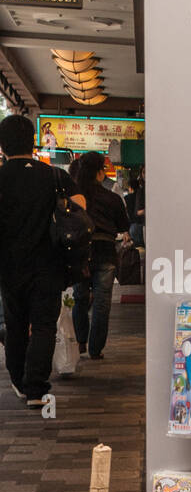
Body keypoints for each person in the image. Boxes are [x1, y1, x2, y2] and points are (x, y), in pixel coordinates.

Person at [0, 115, 86, 408]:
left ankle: (20, 382)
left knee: (15, 323)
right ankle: (37, 390)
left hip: (10, 265)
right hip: (48, 263)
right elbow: (81, 206)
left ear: (2, 146)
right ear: (33, 142)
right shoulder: (52, 175)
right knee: (44, 326)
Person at [71, 151, 131, 360]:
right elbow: (124, 225)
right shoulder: (111, 197)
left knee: (79, 298)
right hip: (105, 252)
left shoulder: (74, 198)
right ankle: (95, 349)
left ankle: (80, 341)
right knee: (102, 303)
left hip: (80, 253)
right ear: (99, 172)